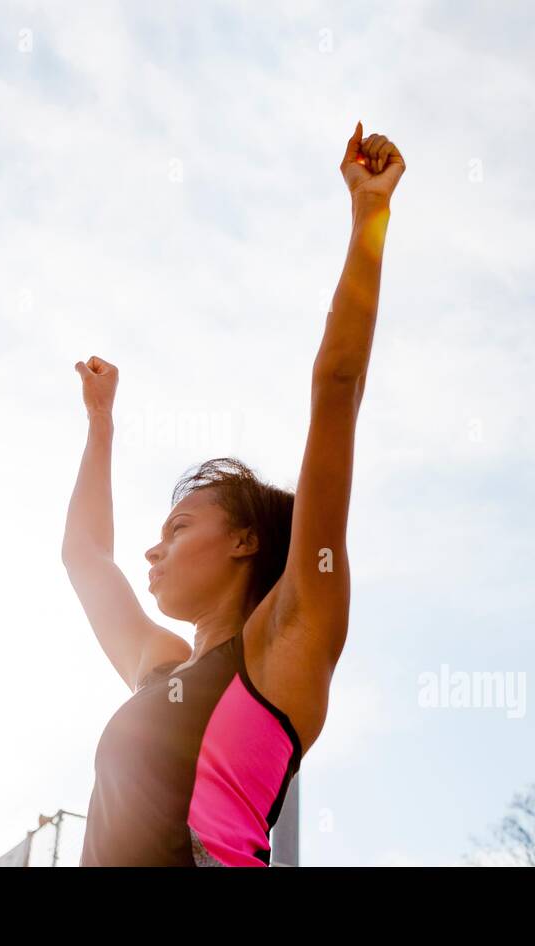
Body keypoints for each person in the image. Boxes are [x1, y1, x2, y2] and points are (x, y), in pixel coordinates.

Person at [62, 122, 405, 866]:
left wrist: (369, 216)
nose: (154, 549)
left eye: (180, 527)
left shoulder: (287, 643)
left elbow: (337, 390)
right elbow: (86, 558)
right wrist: (100, 425)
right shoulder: (160, 670)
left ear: (246, 540)